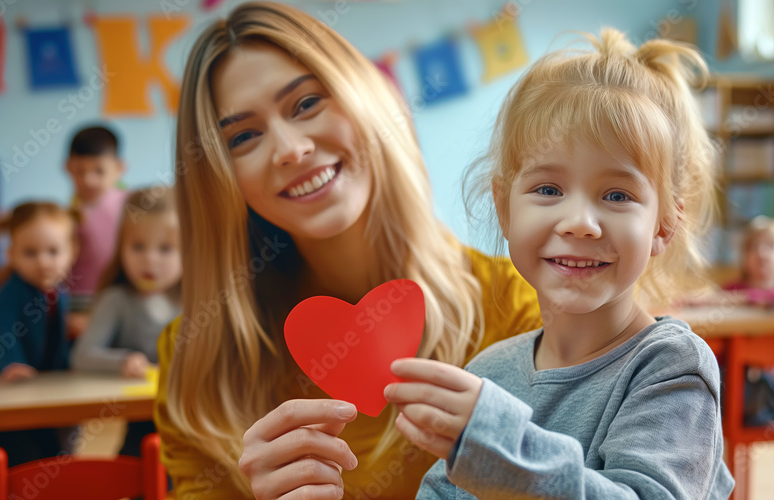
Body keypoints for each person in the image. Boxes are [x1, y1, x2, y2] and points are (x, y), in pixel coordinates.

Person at [154, 3, 541, 498]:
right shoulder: (198, 361)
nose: (290, 148)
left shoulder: (515, 305)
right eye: (244, 136)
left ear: (367, 100)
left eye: (306, 103)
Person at [385, 28, 734, 498]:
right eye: (548, 190)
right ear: (505, 208)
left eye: (617, 195)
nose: (580, 223)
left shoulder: (669, 365)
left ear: (664, 226)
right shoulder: (489, 370)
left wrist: (505, 450)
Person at [72, 187, 181, 457]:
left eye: (165, 248)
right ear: (121, 246)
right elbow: (82, 355)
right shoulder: (116, 299)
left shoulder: (200, 299)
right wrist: (123, 362)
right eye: (137, 246)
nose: (150, 259)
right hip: (144, 434)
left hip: (197, 428)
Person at [0, 201, 79, 465]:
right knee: (17, 451)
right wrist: (12, 363)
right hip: (5, 387)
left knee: (54, 449)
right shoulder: (10, 292)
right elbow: (4, 332)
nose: (43, 262)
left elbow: (57, 340)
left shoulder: (61, 294)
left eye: (54, 251)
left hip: (42, 388)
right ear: (12, 255)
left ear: (72, 253)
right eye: (30, 252)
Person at [64, 125, 129, 338]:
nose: (89, 180)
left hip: (122, 299)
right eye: (80, 171)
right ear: (68, 168)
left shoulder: (133, 206)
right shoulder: (64, 216)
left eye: (99, 171)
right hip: (78, 306)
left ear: (120, 168)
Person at [720, 216, 774, 306]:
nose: (761, 253)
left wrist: (744, 298)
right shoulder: (730, 290)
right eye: (753, 247)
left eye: (771, 246)